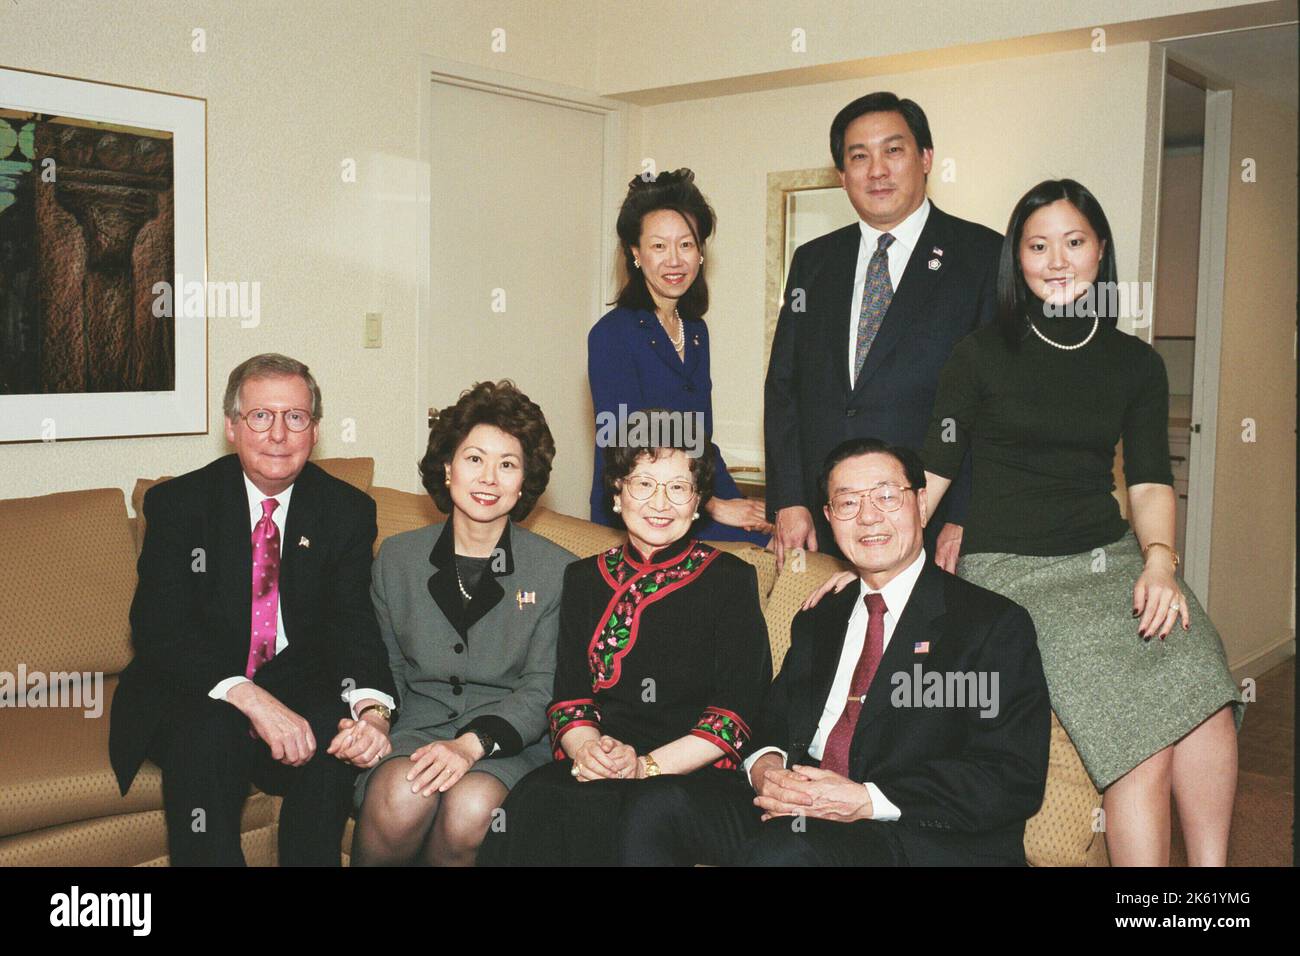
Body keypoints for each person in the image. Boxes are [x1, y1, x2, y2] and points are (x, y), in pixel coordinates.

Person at [918, 179, 1243, 865]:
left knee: (1207, 684)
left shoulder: (1135, 364)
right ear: (1018, 258)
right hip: (1013, 571)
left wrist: (1160, 560)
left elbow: (1151, 479)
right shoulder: (979, 355)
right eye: (1038, 246)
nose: (1057, 260)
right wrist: (872, 570)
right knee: (1141, 740)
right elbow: (931, 478)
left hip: (1111, 556)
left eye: (1074, 242)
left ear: (1100, 251)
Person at [619, 438, 1051, 866]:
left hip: (909, 831)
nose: (867, 517)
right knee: (657, 804)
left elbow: (1010, 774)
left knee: (787, 851)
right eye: (847, 503)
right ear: (828, 517)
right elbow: (772, 718)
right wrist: (767, 770)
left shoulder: (989, 624)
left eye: (886, 496)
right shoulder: (822, 614)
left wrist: (865, 799)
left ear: (921, 504)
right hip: (801, 814)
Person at [108, 353, 397, 866]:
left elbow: (353, 624)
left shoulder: (346, 511)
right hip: (196, 684)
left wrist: (373, 713)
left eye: (295, 417)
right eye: (260, 416)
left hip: (298, 681)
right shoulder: (180, 505)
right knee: (209, 735)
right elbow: (157, 629)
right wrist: (250, 699)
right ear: (232, 427)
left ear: (315, 429)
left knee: (338, 739)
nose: (278, 434)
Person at [478, 426, 772, 865]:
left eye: (678, 488)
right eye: (643, 484)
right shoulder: (582, 578)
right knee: (536, 797)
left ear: (697, 504)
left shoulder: (730, 580)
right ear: (618, 495)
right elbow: (570, 698)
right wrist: (589, 751)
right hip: (603, 759)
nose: (660, 503)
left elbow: (736, 712)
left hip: (692, 773)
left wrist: (646, 766)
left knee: (629, 809)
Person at [765, 91, 1001, 570]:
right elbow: (783, 387)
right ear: (841, 175)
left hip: (930, 527)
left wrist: (964, 513)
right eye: (859, 156)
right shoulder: (812, 262)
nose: (877, 170)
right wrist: (789, 500)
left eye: (893, 151)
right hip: (825, 524)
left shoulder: (982, 256)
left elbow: (992, 404)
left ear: (926, 158)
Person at [350, 381, 574, 866]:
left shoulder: (558, 571)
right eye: (475, 459)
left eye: (507, 464)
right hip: (417, 730)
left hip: (508, 742)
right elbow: (383, 666)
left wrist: (471, 746)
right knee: (406, 791)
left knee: (472, 808)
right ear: (448, 467)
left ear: (524, 482)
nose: (489, 478)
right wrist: (374, 720)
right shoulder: (397, 558)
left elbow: (544, 689)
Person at [588, 167, 771, 546]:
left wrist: (737, 504)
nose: (674, 260)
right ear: (636, 254)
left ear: (701, 252)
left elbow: (698, 439)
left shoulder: (696, 331)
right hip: (641, 505)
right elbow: (624, 438)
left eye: (686, 245)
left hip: (690, 501)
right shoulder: (612, 333)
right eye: (658, 246)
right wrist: (716, 506)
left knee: (777, 540)